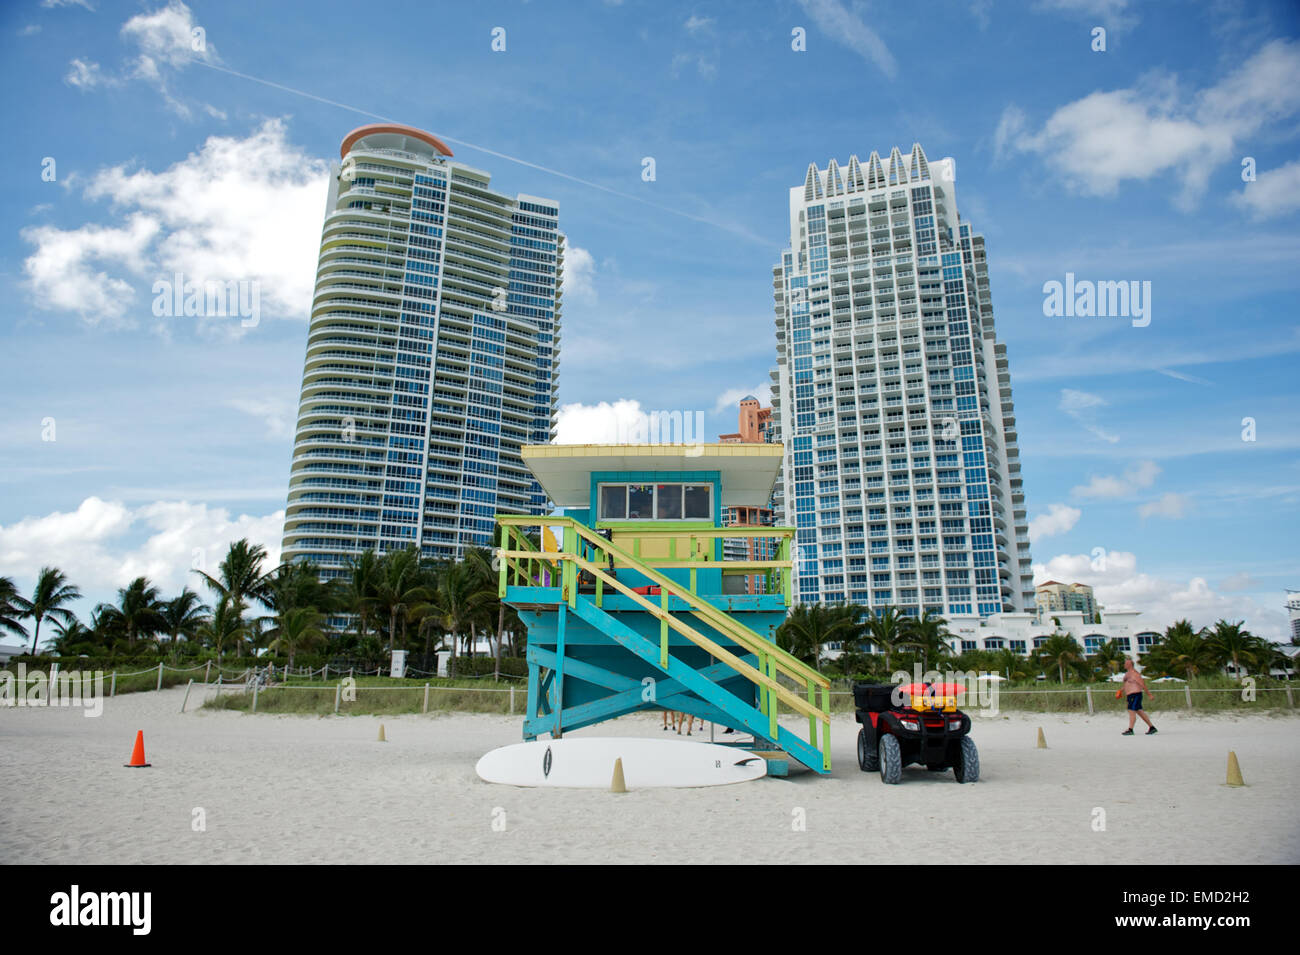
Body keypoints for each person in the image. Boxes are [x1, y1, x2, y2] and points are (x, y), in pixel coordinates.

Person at [1120, 658, 1157, 736]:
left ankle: (1130, 729)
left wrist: (1149, 694)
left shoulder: (1135, 674)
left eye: (1125, 663)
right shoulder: (1127, 674)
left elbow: (1142, 684)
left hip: (1135, 694)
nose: (1124, 665)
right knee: (1139, 712)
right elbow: (1128, 684)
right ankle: (1152, 727)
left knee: (1131, 711)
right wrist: (1121, 690)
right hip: (1130, 695)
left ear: (1129, 664)